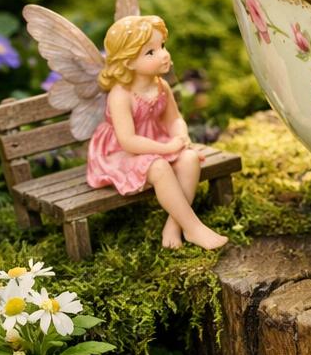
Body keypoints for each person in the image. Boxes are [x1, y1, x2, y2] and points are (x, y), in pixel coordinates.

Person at [87, 15, 228, 251]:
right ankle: (194, 227)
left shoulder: (160, 86)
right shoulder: (120, 95)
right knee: (160, 168)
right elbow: (128, 141)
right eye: (150, 52)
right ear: (128, 62)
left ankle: (174, 225)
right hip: (119, 154)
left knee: (190, 158)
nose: (163, 54)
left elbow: (173, 119)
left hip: (155, 142)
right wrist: (166, 149)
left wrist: (181, 137)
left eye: (162, 46)